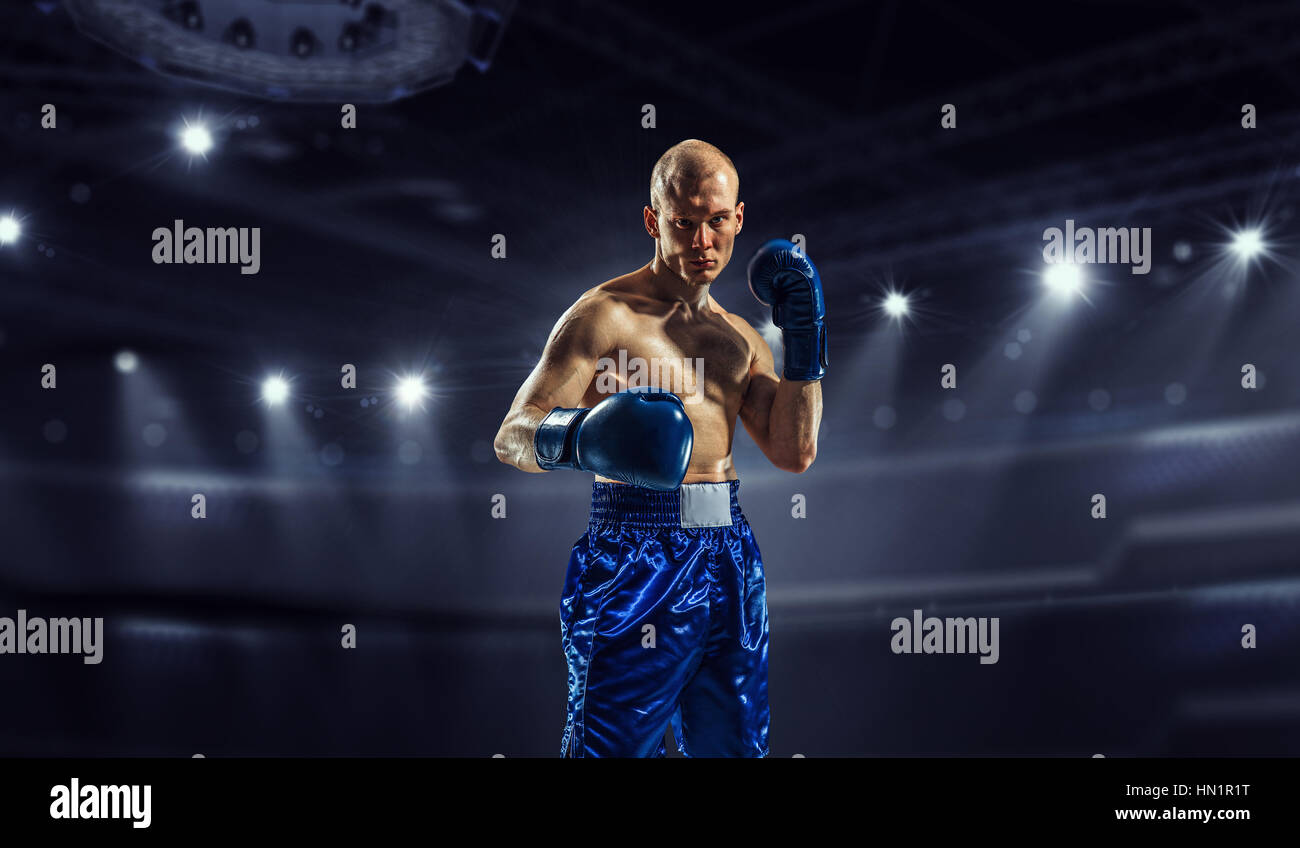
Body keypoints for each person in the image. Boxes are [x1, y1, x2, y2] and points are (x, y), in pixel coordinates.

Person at [494, 139, 825, 757]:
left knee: (736, 750)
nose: (703, 240)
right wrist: (583, 439)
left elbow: (794, 452)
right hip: (634, 556)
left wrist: (805, 346)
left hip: (729, 553)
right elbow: (511, 434)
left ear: (739, 218)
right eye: (684, 222)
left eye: (717, 221)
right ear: (653, 219)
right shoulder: (604, 317)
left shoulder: (742, 338)